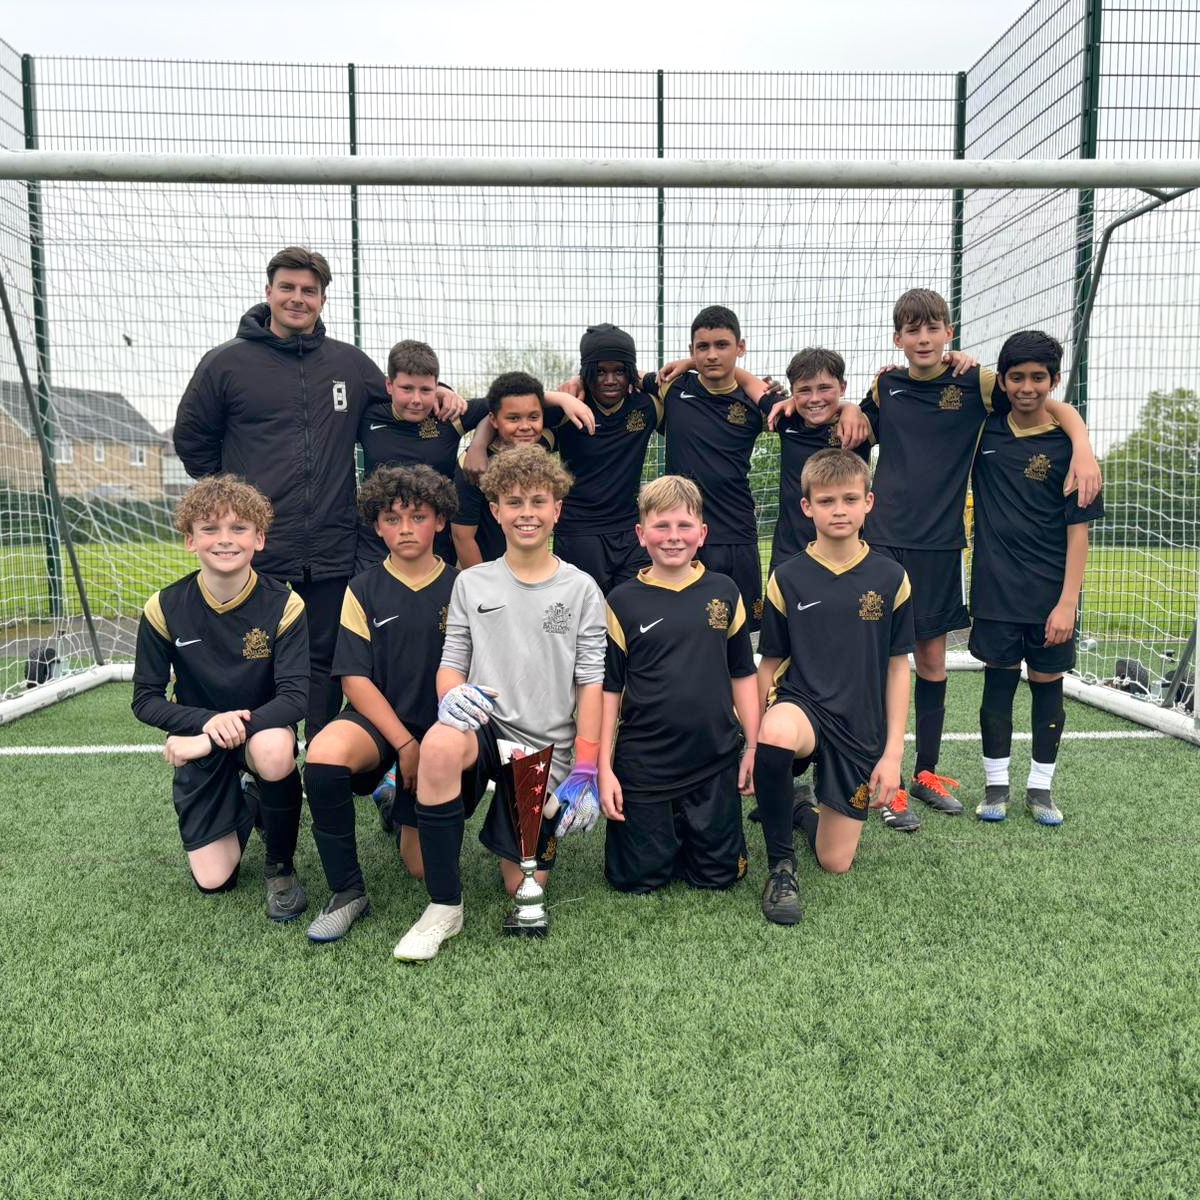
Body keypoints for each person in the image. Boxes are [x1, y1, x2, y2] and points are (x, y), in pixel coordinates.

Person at [173, 246, 465, 741]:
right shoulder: (226, 363)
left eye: (309, 291)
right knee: (253, 652)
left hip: (332, 545)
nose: (297, 298)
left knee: (325, 658)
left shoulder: (348, 364)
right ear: (269, 292)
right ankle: (254, 762)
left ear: (323, 300)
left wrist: (445, 392)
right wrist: (234, 504)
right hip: (257, 546)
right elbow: (192, 442)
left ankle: (320, 757)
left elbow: (401, 400)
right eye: (287, 287)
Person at [861, 288, 1101, 817]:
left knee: (930, 661)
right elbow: (848, 423)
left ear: (950, 333)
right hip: (881, 542)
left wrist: (1081, 446)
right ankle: (883, 777)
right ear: (897, 338)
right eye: (912, 329)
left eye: (933, 328)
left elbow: (1042, 401)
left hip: (942, 545)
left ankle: (924, 772)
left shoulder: (976, 382)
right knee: (880, 661)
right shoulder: (884, 385)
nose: (923, 338)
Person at [393, 445, 607, 961]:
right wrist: (452, 696)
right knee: (440, 744)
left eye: (538, 500)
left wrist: (585, 767)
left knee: (521, 886)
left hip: (542, 748)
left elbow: (591, 684)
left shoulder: (581, 588)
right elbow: (451, 663)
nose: (526, 512)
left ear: (557, 508)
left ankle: (532, 816)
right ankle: (444, 906)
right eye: (513, 502)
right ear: (495, 511)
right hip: (483, 726)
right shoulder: (472, 582)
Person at [131, 475, 308, 920]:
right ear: (190, 540)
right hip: (200, 733)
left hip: (258, 730)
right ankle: (252, 799)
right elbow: (145, 698)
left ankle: (281, 867)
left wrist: (214, 737)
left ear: (259, 539)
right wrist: (206, 724)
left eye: (239, 528)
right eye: (210, 529)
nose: (224, 540)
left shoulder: (285, 604)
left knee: (272, 752)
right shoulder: (163, 607)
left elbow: (295, 698)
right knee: (215, 881)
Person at [753, 450, 914, 925]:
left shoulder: (891, 578)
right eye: (826, 501)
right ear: (808, 508)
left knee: (835, 862)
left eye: (849, 499)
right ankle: (781, 866)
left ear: (869, 502)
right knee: (777, 733)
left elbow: (898, 668)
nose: (838, 510)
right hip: (802, 706)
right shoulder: (787, 576)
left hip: (859, 725)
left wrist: (892, 755)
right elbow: (771, 663)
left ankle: (799, 809)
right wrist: (755, 737)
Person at [301, 465, 460, 942]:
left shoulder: (464, 587)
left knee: (418, 868)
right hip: (378, 723)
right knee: (323, 754)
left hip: (440, 732)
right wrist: (404, 743)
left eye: (417, 516)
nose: (405, 528)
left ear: (441, 521)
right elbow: (353, 679)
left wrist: (424, 744)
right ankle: (347, 892)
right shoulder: (362, 588)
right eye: (392, 519)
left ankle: (395, 805)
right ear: (376, 525)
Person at [656, 306, 869, 632]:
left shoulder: (777, 411)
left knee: (744, 631)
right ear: (692, 351)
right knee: (683, 626)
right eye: (703, 348)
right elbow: (620, 382)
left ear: (741, 348)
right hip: (686, 532)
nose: (712, 354)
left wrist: (852, 407)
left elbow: (763, 392)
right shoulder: (672, 388)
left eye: (722, 346)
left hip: (739, 532)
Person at [969, 331, 1104, 826]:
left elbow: (1078, 535)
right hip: (995, 593)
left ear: (1054, 381)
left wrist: (1068, 602)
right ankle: (996, 786)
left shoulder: (1072, 450)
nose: (1027, 387)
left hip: (1051, 596)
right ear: (1002, 381)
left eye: (1038, 378)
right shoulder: (983, 431)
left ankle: (1041, 790)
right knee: (997, 687)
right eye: (1018, 377)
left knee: (1048, 685)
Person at [599, 476, 758, 893]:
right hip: (644, 764)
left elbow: (743, 673)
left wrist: (753, 747)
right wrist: (604, 769)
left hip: (713, 757)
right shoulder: (621, 600)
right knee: (636, 881)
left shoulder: (724, 592)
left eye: (684, 526)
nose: (673, 537)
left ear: (702, 534)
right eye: (661, 526)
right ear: (641, 534)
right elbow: (610, 691)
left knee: (718, 877)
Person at [356, 339, 488, 571]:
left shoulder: (448, 416)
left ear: (436, 386)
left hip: (436, 547)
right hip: (376, 548)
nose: (416, 399)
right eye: (407, 388)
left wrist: (478, 443)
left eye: (426, 390)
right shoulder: (367, 417)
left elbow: (507, 403)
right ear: (389, 385)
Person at [451, 371, 559, 568]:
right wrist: (482, 584)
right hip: (490, 569)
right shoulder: (473, 465)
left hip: (536, 569)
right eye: (514, 418)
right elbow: (462, 536)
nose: (525, 426)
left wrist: (568, 398)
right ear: (494, 420)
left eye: (533, 417)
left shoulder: (546, 440)